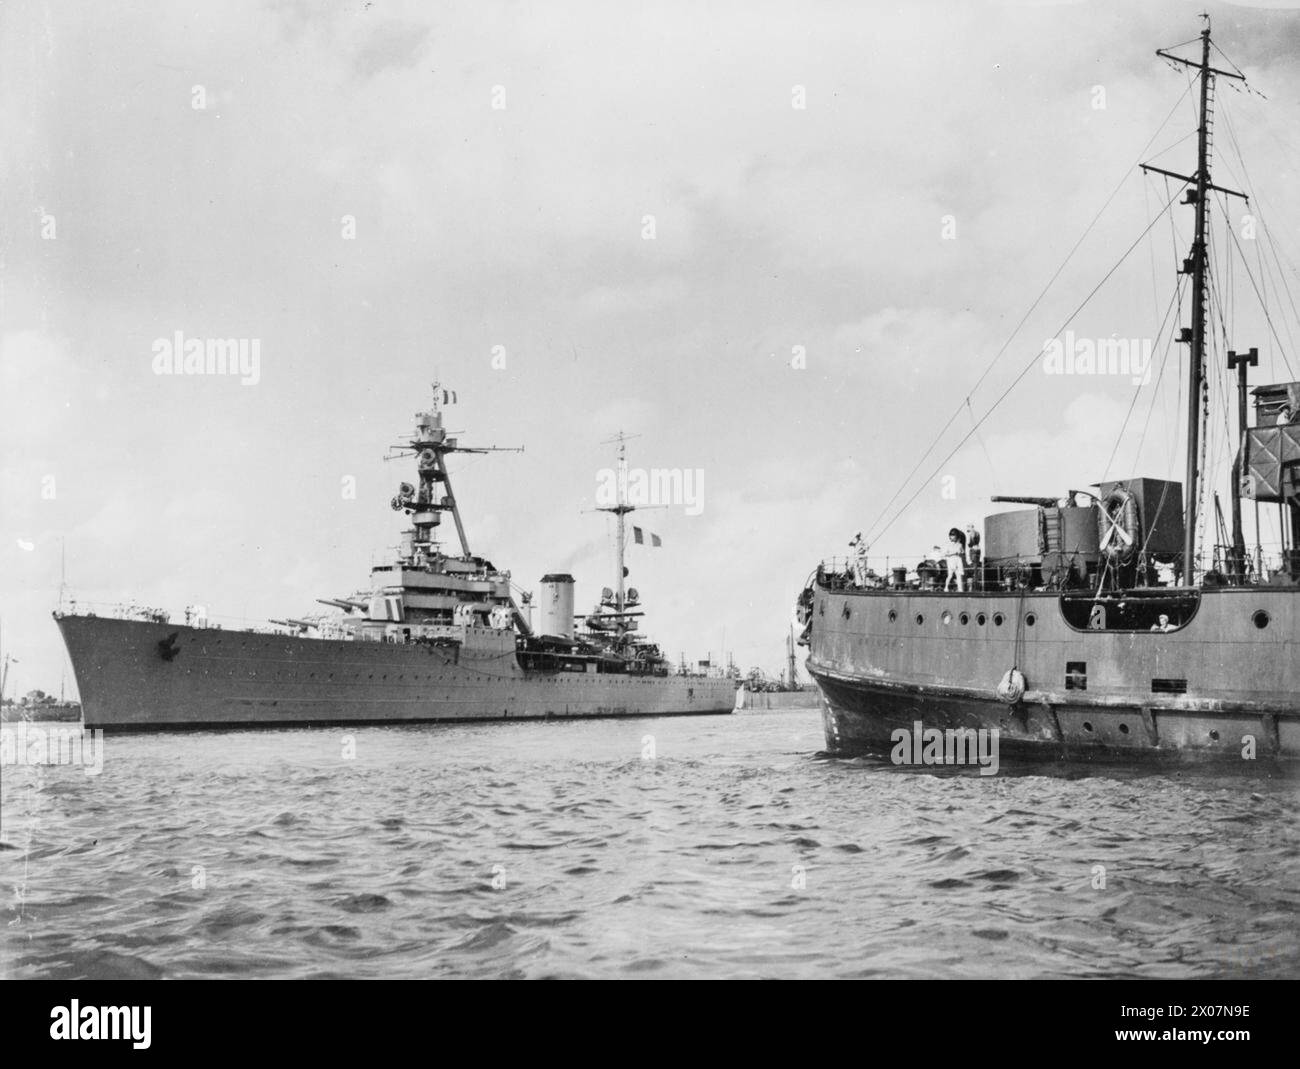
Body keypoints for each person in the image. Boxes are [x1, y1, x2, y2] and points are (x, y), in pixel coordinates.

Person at [944, 527, 966, 592]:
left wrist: (960, 552)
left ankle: (960, 589)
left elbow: (963, 552)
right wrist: (954, 553)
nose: (952, 537)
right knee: (950, 575)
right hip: (951, 560)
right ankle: (946, 587)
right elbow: (946, 554)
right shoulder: (948, 545)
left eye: (954, 535)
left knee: (958, 575)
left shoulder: (960, 545)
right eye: (951, 535)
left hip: (958, 560)